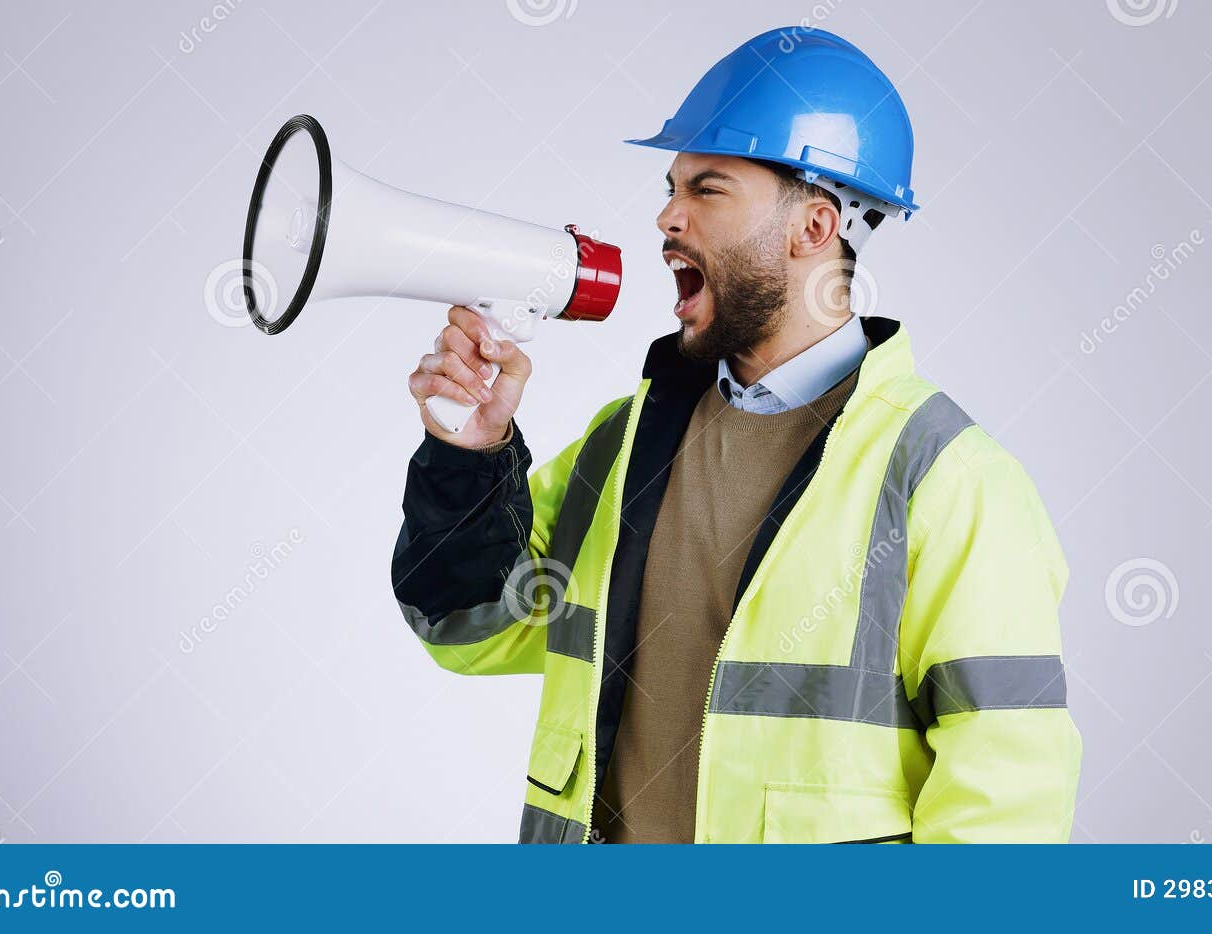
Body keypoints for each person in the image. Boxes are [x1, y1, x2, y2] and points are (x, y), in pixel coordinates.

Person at [391, 27, 1080, 843]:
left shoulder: (946, 479)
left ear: (815, 229)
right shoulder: (625, 445)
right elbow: (469, 631)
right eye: (671, 186)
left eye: (708, 190)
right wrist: (470, 455)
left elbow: (1008, 810)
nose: (665, 216)